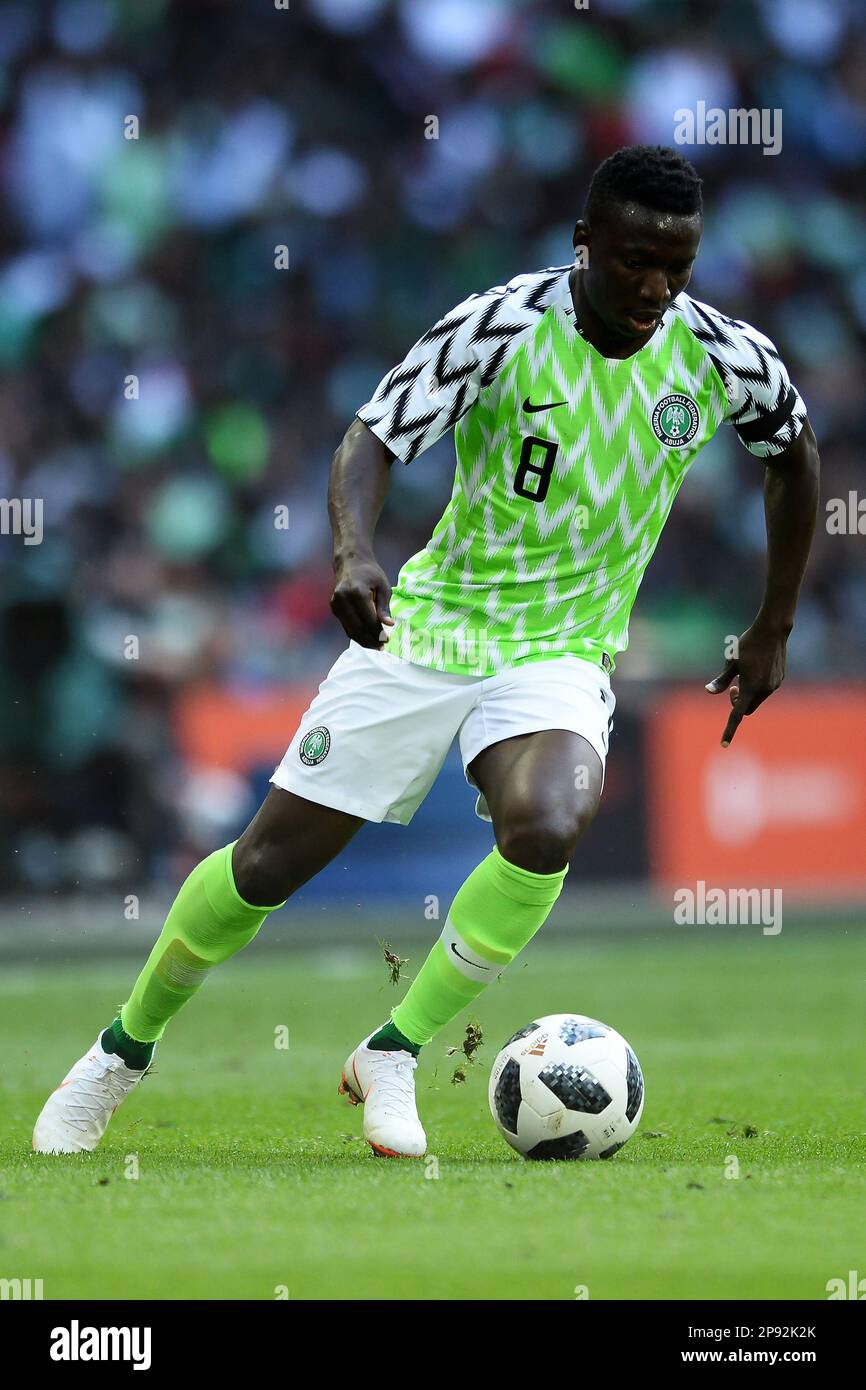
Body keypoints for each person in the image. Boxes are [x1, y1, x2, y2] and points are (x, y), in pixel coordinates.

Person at [33, 145, 820, 1160]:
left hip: (561, 645)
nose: (653, 286)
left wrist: (771, 625)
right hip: (431, 627)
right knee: (265, 866)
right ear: (583, 244)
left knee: (548, 823)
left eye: (675, 265)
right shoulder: (497, 327)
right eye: (631, 259)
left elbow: (792, 456)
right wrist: (356, 553)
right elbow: (371, 439)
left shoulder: (720, 355)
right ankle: (118, 1052)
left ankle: (393, 1048)